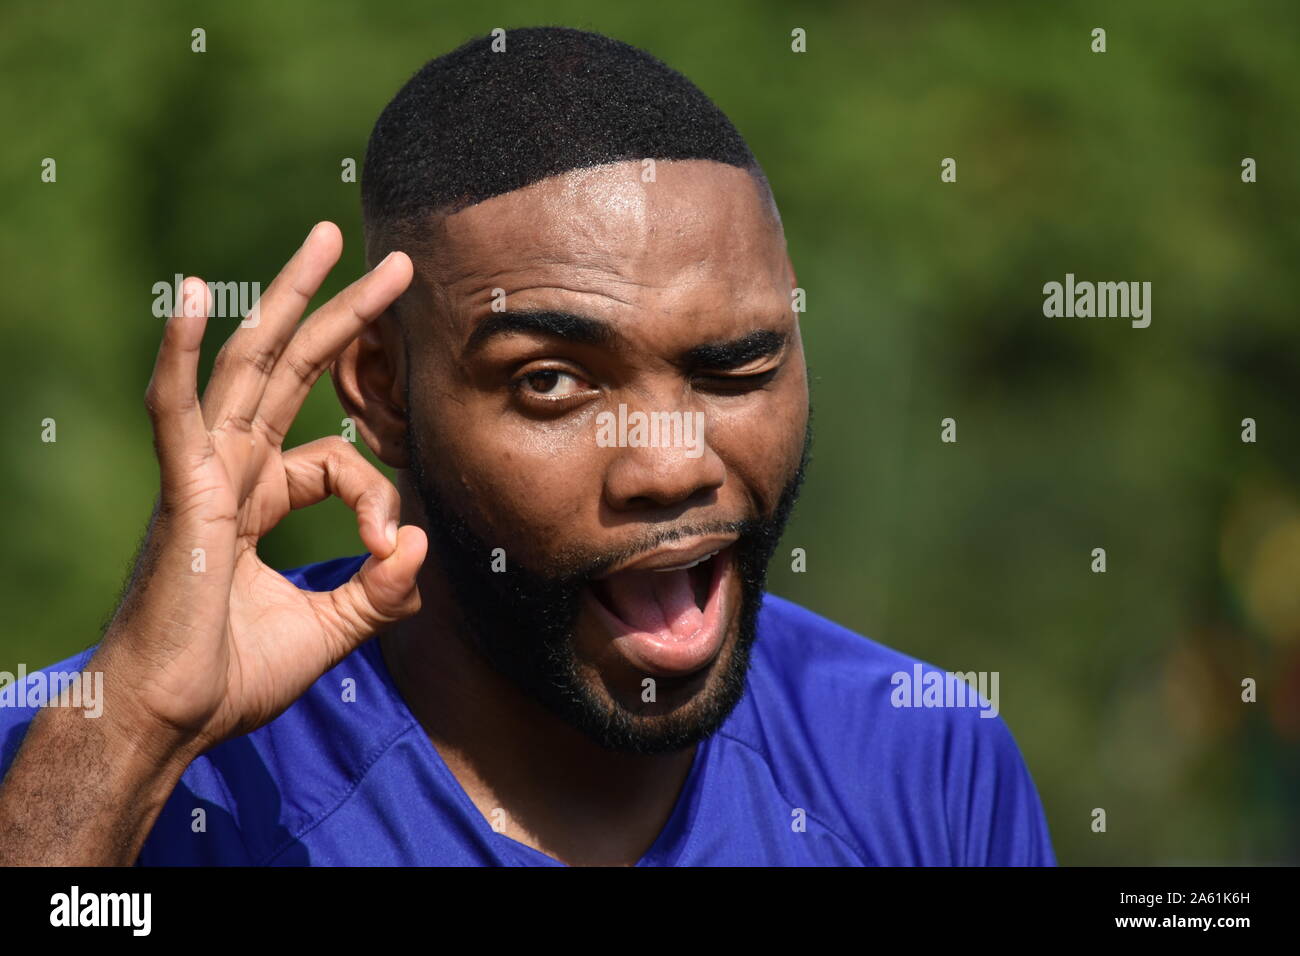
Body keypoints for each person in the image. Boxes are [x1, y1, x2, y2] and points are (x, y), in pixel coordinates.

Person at [0, 26, 1055, 866]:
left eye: (734, 368)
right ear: (384, 389)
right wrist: (135, 723)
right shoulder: (144, 765)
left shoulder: (921, 761)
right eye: (552, 383)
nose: (671, 460)